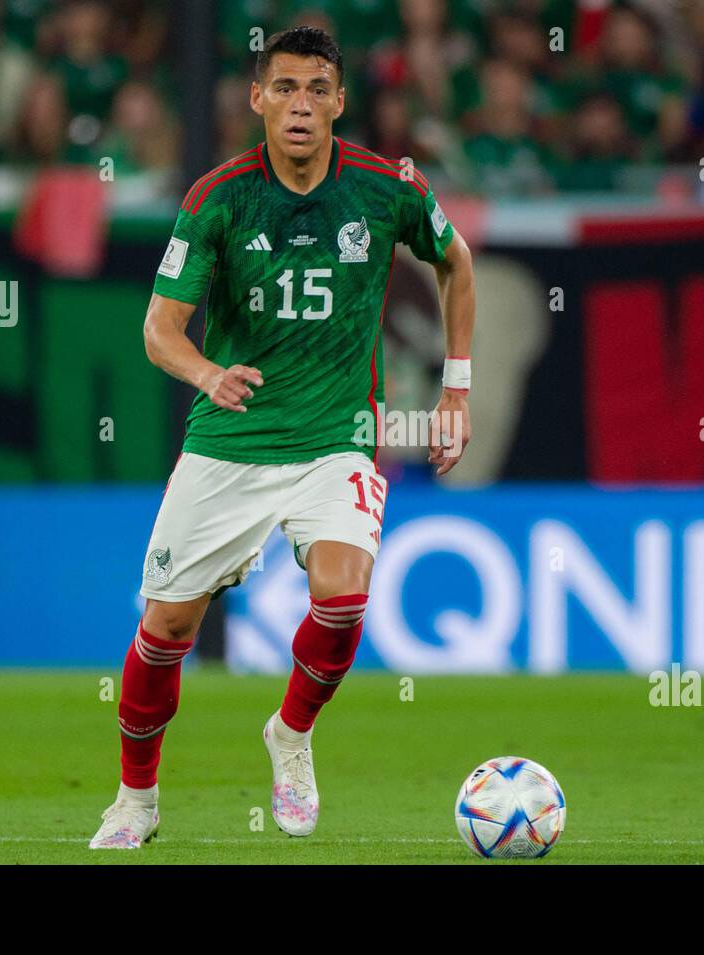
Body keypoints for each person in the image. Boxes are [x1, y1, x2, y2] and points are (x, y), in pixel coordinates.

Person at [89, 26, 475, 849]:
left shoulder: (385, 187)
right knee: (165, 631)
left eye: (317, 90)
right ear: (257, 99)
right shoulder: (218, 197)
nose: (301, 104)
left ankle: (291, 735)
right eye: (285, 87)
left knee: (342, 597)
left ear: (340, 102)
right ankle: (135, 800)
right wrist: (205, 374)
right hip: (230, 440)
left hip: (338, 437)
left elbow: (457, 263)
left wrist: (456, 390)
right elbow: (161, 328)